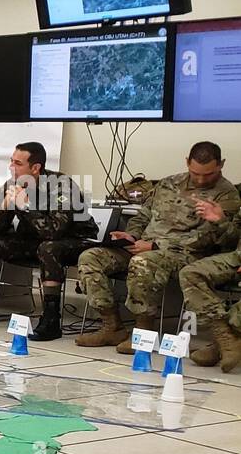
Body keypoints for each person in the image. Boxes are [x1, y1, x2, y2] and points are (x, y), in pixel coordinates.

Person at [76, 142, 240, 351]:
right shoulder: (168, 183)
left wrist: (154, 245)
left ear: (221, 165)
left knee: (143, 262)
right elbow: (143, 215)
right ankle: (111, 325)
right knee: (90, 258)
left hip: (185, 255)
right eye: (195, 173)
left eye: (208, 175)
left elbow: (207, 239)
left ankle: (144, 333)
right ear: (187, 162)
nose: (200, 179)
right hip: (143, 246)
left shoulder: (226, 195)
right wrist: (131, 235)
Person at [0, 142, 91, 336]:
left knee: (48, 247)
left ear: (35, 168)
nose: (11, 167)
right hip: (33, 240)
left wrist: (26, 207)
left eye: (17, 163)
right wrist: (4, 208)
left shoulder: (62, 185)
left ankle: (51, 318)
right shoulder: (12, 184)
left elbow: (54, 232)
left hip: (72, 240)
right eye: (11, 161)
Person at [179, 206, 241, 372]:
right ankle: (225, 337)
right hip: (237, 256)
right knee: (190, 274)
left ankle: (225, 343)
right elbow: (233, 238)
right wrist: (221, 222)